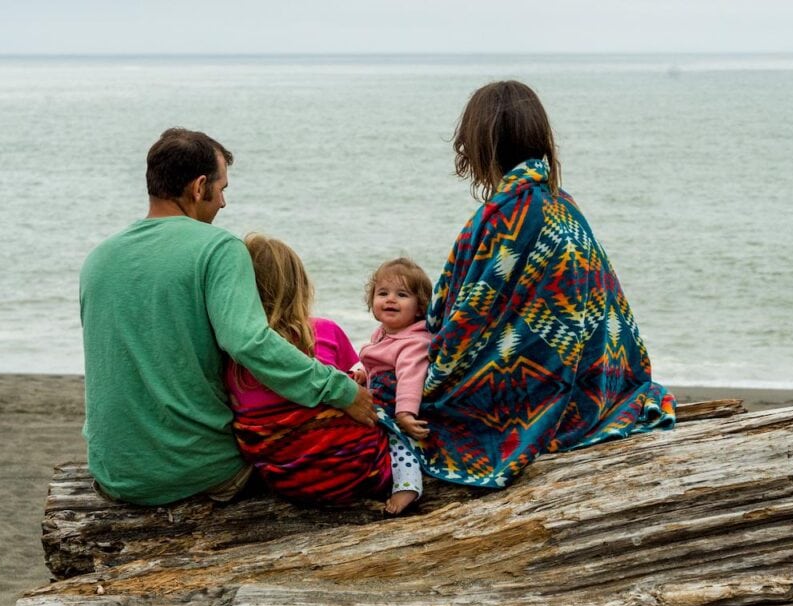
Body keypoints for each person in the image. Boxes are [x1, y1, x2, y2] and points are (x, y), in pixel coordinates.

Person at [79, 128, 375, 506]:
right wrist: (341, 390)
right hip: (199, 471)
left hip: (114, 472)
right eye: (222, 189)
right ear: (199, 187)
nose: (223, 203)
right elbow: (250, 341)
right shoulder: (218, 248)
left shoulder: (99, 259)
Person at [420, 80, 675, 488]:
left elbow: (455, 320)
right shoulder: (563, 203)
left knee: (399, 393)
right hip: (605, 381)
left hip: (539, 395)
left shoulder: (504, 214)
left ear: (481, 144)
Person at [224, 234, 392, 503]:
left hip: (288, 483)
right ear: (298, 285)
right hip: (363, 473)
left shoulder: (231, 357)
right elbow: (359, 383)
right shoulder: (325, 330)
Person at [351, 257, 434, 513]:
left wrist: (405, 414)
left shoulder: (414, 342)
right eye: (383, 293)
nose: (390, 299)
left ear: (420, 307)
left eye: (402, 294)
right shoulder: (383, 333)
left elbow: (411, 377)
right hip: (378, 397)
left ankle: (408, 486)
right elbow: (371, 361)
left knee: (399, 442)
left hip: (396, 405)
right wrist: (359, 373)